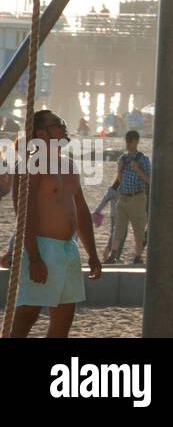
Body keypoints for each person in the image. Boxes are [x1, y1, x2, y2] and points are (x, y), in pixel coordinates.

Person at [8, 111, 102, 338]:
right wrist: (34, 257)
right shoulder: (33, 165)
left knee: (63, 320)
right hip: (42, 247)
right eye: (58, 123)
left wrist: (92, 253)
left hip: (68, 249)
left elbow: (80, 211)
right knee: (26, 316)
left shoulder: (68, 165)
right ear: (42, 133)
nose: (63, 127)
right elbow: (25, 214)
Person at [110, 129, 150, 264]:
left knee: (138, 229)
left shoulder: (143, 159)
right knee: (119, 228)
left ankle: (138, 256)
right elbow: (120, 180)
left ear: (136, 142)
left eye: (131, 141)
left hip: (137, 198)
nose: (128, 144)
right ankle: (113, 255)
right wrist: (119, 169)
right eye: (127, 141)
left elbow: (149, 180)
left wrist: (137, 169)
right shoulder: (123, 159)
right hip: (123, 197)